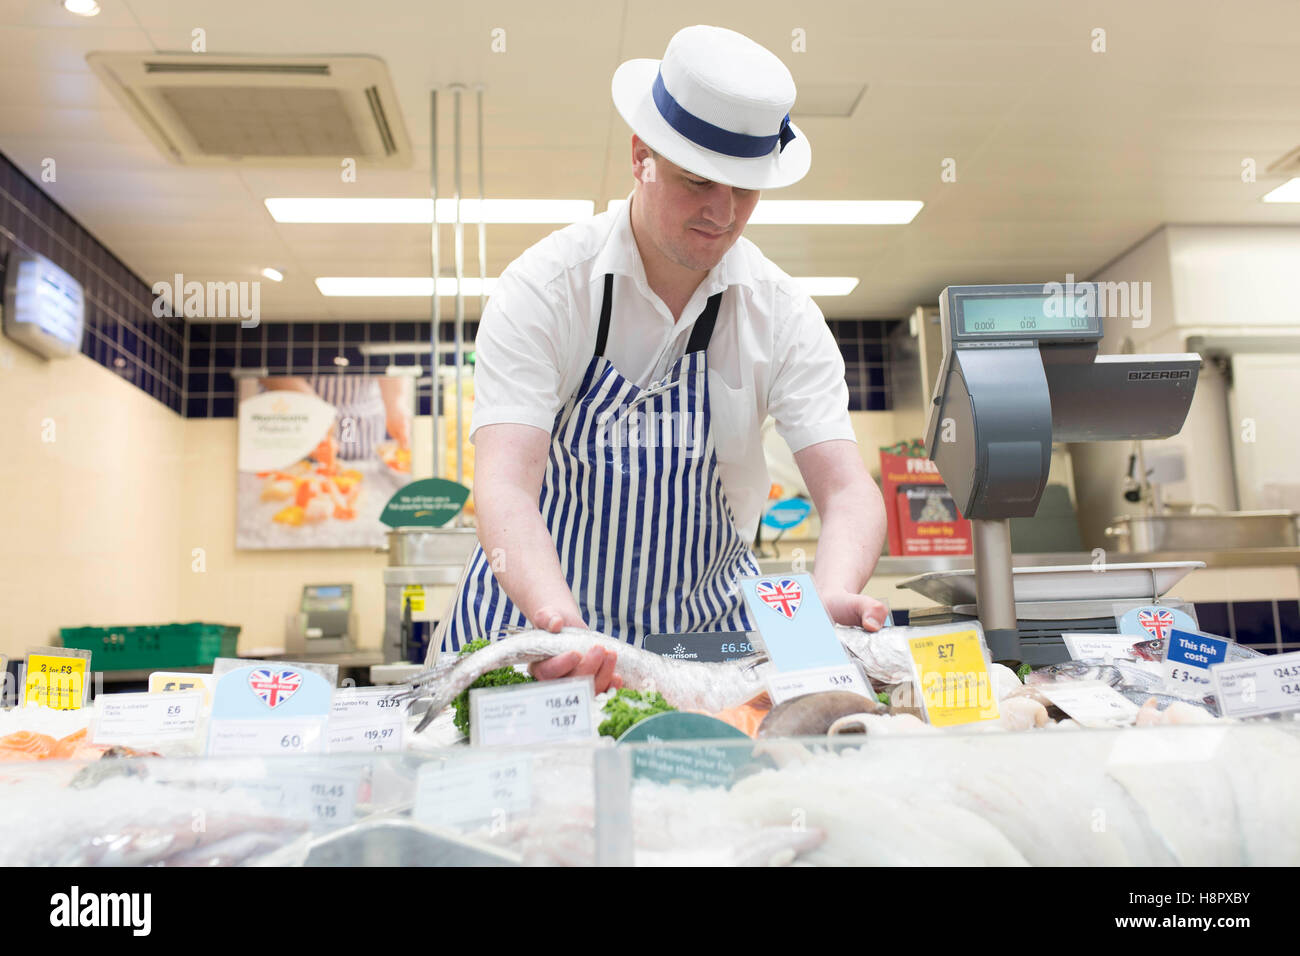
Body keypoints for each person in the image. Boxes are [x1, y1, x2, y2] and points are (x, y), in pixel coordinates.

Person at [436, 24, 889, 691]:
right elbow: (506, 484)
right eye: (697, 181)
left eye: (744, 189)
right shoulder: (546, 287)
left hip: (704, 651)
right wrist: (560, 624)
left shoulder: (783, 314)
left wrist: (830, 591)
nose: (722, 212)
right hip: (538, 629)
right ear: (640, 156)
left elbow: (849, 491)